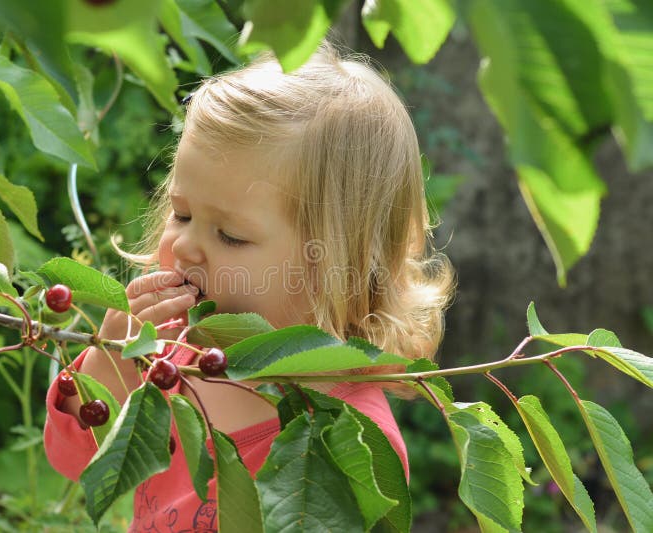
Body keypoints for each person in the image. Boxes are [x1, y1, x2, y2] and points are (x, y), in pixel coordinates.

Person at [44, 41, 454, 531]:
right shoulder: (169, 358)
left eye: (231, 236)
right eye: (182, 213)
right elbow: (76, 463)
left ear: (334, 266)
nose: (187, 246)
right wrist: (108, 369)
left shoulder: (349, 436)